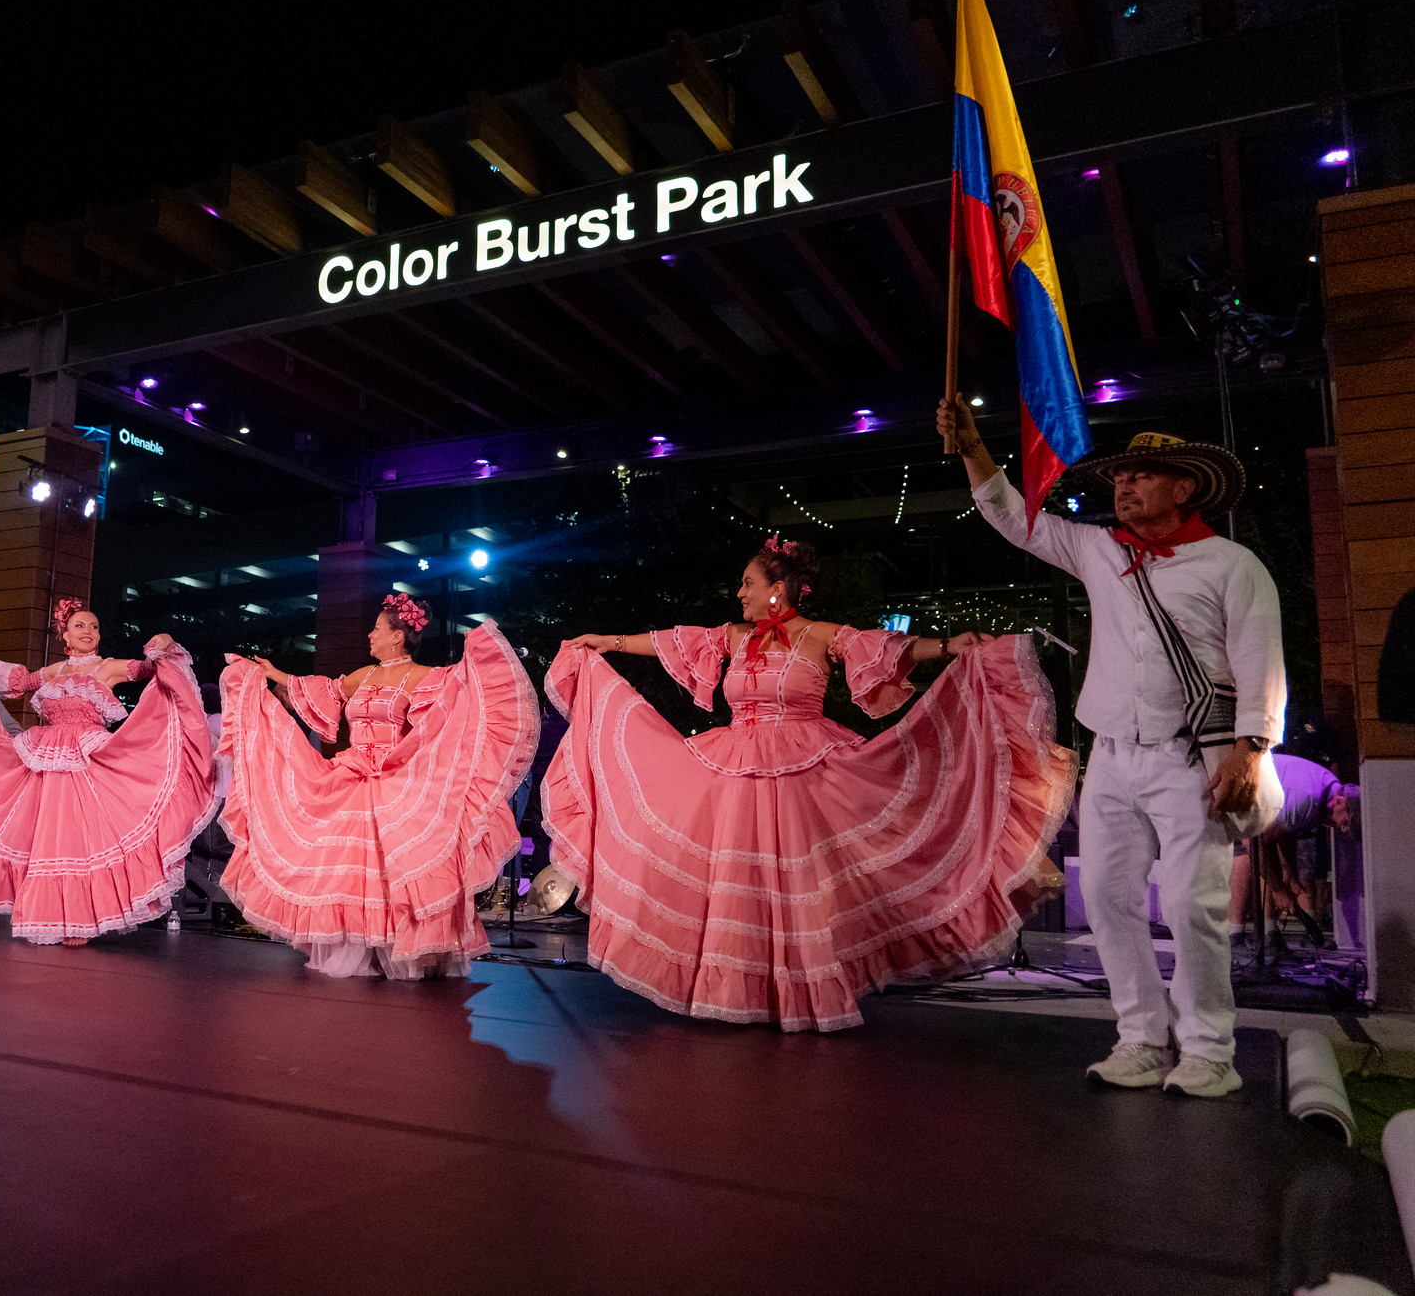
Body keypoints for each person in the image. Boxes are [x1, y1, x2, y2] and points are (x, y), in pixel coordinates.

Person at [547, 537, 1074, 1031]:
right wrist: (607, 642)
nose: (740, 593)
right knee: (738, 884)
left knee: (802, 884)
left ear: (776, 588)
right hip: (734, 766)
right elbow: (669, 642)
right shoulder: (733, 637)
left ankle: (805, 991)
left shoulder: (822, 635)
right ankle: (741, 993)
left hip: (806, 764)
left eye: (748, 583)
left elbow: (888, 648)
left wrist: (944, 647)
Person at [941, 399, 1284, 1099]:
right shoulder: (1101, 548)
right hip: (1113, 757)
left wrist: (1250, 750)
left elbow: (1261, 659)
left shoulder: (1231, 563)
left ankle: (1209, 1049)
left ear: (1184, 486)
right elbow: (1015, 517)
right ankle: (1138, 1038)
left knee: (1193, 904)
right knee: (1103, 894)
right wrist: (975, 447)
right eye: (1120, 478)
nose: (1122, 487)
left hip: (1197, 757)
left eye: (1142, 476)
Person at [219, 593, 539, 979]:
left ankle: (398, 945)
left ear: (397, 636)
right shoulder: (362, 676)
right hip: (352, 776)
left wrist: (480, 653)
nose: (369, 635)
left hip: (396, 781)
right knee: (345, 869)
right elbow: (323, 691)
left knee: (395, 868)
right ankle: (355, 946)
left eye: (376, 628)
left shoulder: (425, 677)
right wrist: (274, 674)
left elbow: (459, 703)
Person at [0, 599, 214, 944]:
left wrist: (163, 644)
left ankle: (80, 918)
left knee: (79, 836)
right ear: (65, 635)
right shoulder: (55, 672)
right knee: (45, 837)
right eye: (80, 626)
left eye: (94, 626)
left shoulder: (108, 667)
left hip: (88, 758)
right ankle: (50, 915)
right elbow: (23, 680)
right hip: (45, 759)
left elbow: (148, 669)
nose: (88, 631)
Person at [1229, 753, 1355, 941]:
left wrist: (1289, 874)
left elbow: (1284, 831)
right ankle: (1235, 935)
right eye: (1345, 823)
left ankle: (1270, 935)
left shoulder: (1328, 787)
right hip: (1233, 788)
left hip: (1254, 798)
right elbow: (1255, 840)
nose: (1342, 830)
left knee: (1269, 867)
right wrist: (1279, 890)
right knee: (1247, 857)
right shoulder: (1307, 798)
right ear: (1339, 802)